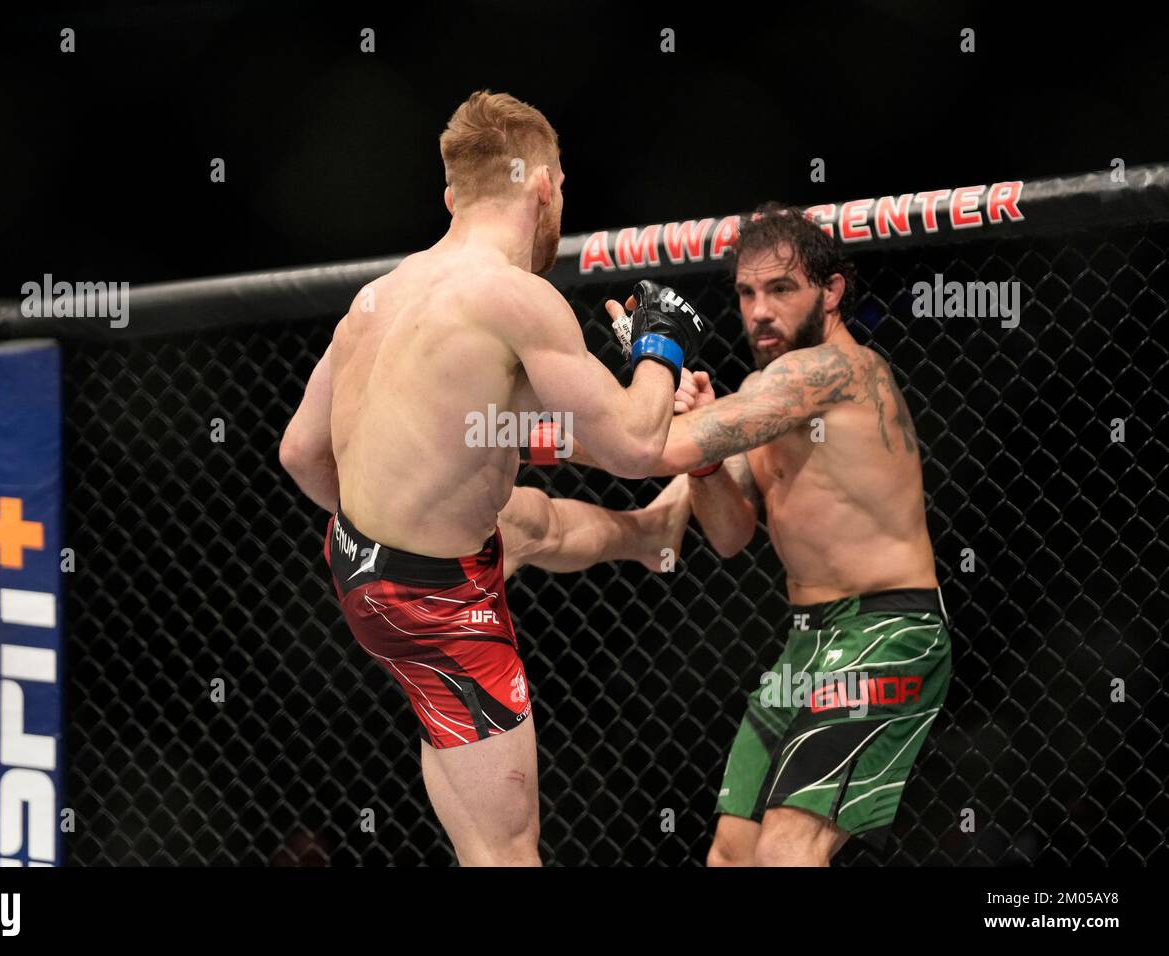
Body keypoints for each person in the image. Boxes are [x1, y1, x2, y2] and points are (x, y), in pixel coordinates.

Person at [278, 90, 706, 866]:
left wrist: (394, 528)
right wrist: (662, 345)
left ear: (452, 196)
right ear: (543, 186)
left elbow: (300, 453)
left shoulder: (378, 296)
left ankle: (649, 534)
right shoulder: (517, 298)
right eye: (563, 188)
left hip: (353, 560)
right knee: (506, 850)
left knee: (521, 519)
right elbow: (636, 449)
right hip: (432, 605)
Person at [502, 204, 952, 865]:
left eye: (780, 290)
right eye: (746, 292)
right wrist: (707, 459)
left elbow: (651, 448)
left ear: (830, 293)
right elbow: (729, 534)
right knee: (734, 854)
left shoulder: (831, 372)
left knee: (787, 851)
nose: (760, 310)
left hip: (886, 632)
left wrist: (517, 433)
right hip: (807, 642)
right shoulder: (762, 391)